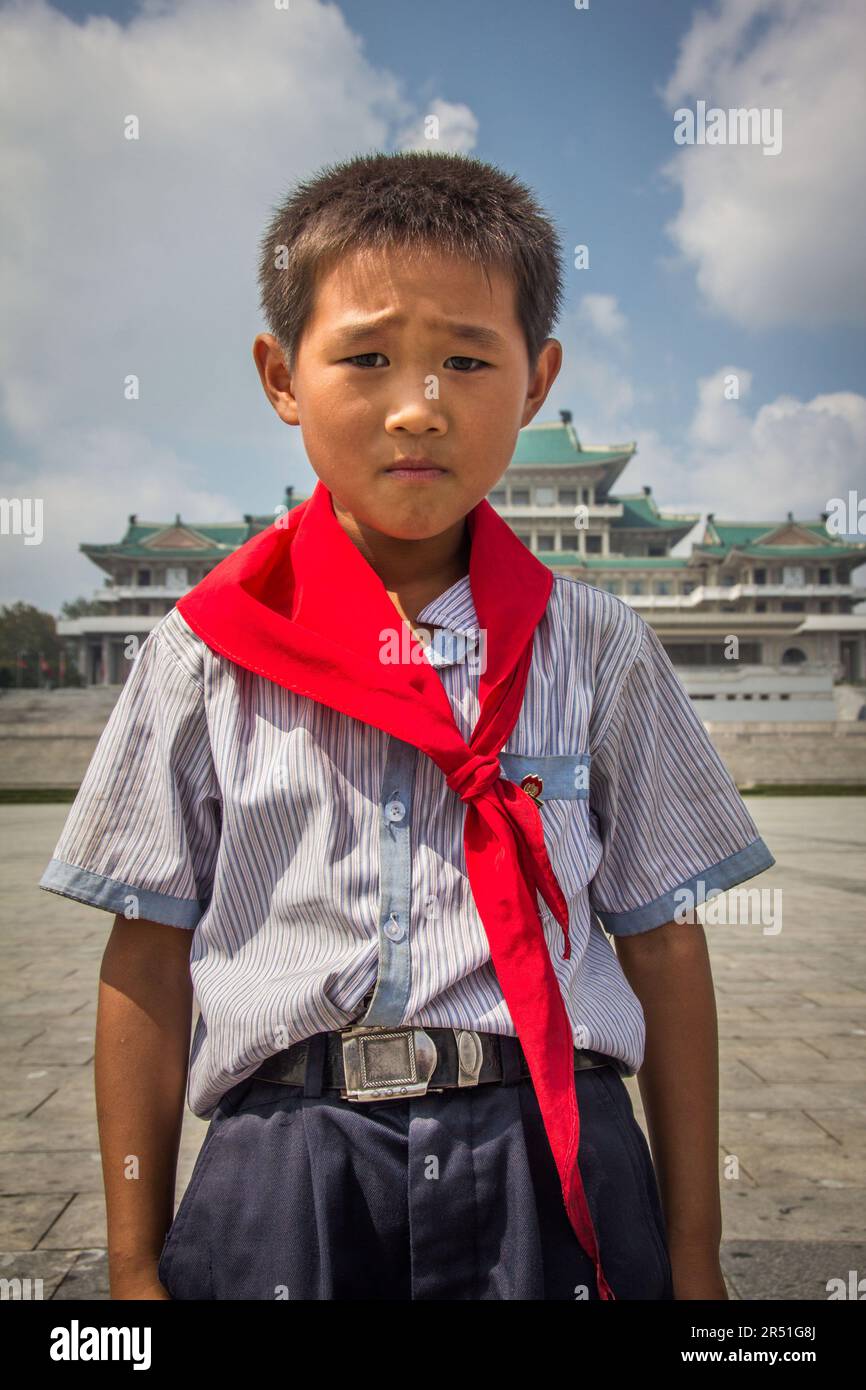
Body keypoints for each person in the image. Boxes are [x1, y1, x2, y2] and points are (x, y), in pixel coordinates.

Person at [38, 150, 775, 1301]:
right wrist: (133, 1268)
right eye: (367, 356)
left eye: (466, 360)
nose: (417, 405)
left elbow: (662, 943)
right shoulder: (203, 650)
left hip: (549, 1144)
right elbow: (146, 952)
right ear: (281, 375)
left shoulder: (595, 646)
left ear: (535, 382)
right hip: (287, 1162)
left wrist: (693, 1258)